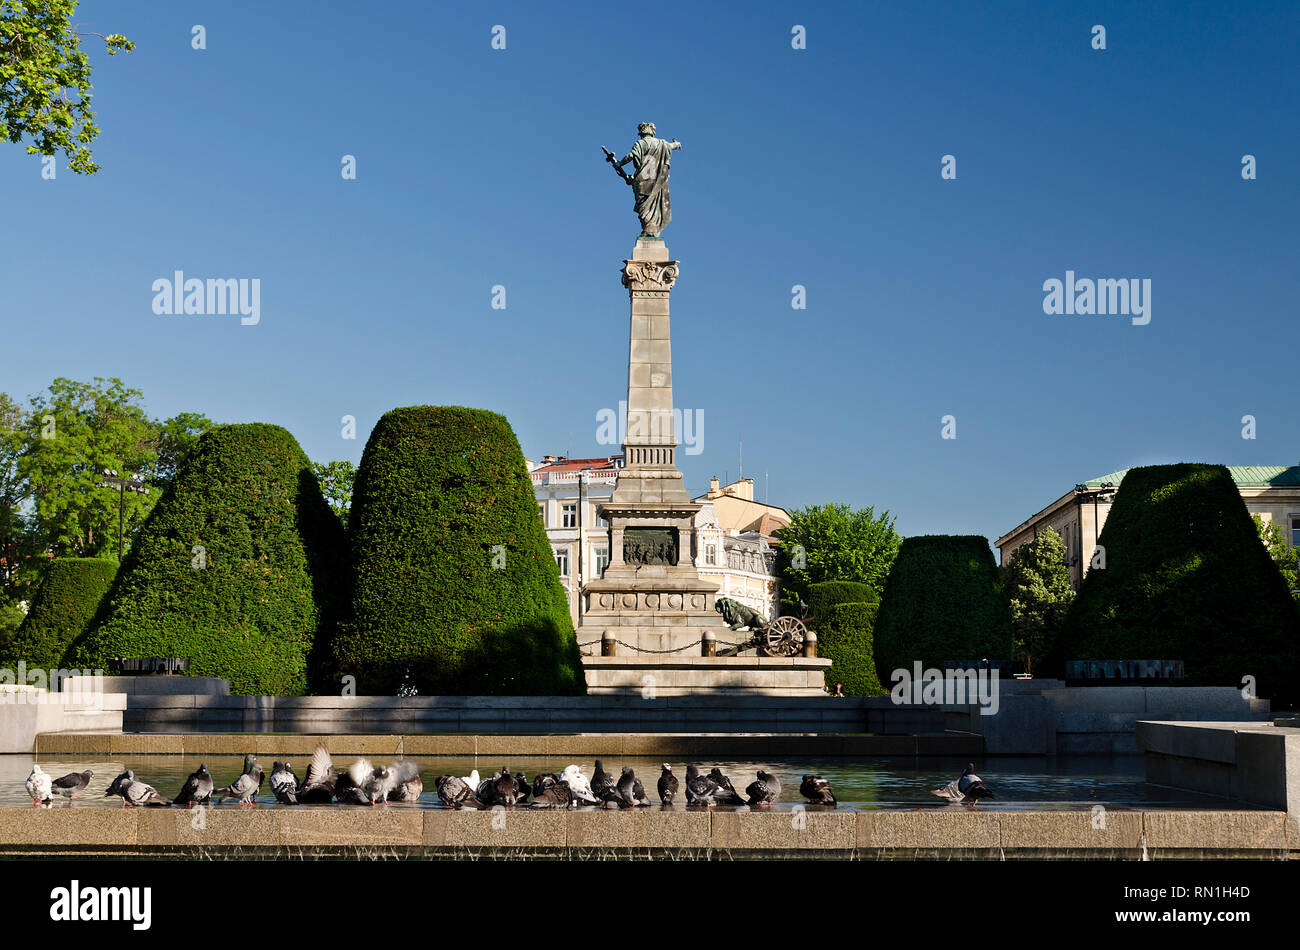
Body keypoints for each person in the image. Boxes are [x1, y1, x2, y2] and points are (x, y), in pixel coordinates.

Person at [610, 122, 682, 237]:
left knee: (643, 205)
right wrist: (677, 144)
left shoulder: (640, 143)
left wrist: (619, 163)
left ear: (641, 133)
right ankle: (651, 227)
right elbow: (672, 146)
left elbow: (631, 156)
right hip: (657, 181)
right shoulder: (661, 143)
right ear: (652, 133)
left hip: (642, 181)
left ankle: (649, 228)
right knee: (654, 205)